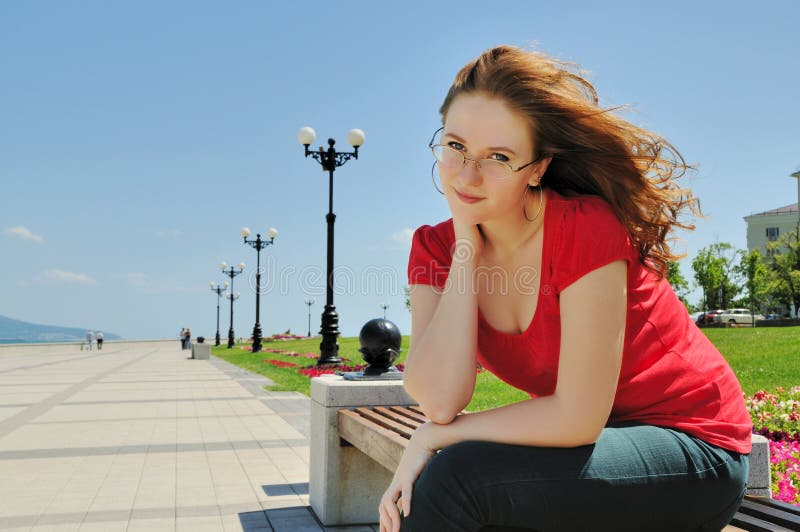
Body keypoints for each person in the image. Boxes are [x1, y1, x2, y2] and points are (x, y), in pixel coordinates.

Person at [380, 45, 752, 532]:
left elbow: (577, 415)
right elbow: (441, 400)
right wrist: (467, 245)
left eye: (498, 156)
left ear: (537, 168)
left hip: (691, 446)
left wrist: (436, 438)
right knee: (451, 488)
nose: (467, 175)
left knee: (459, 478)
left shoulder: (583, 228)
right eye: (455, 147)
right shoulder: (436, 248)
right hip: (588, 451)